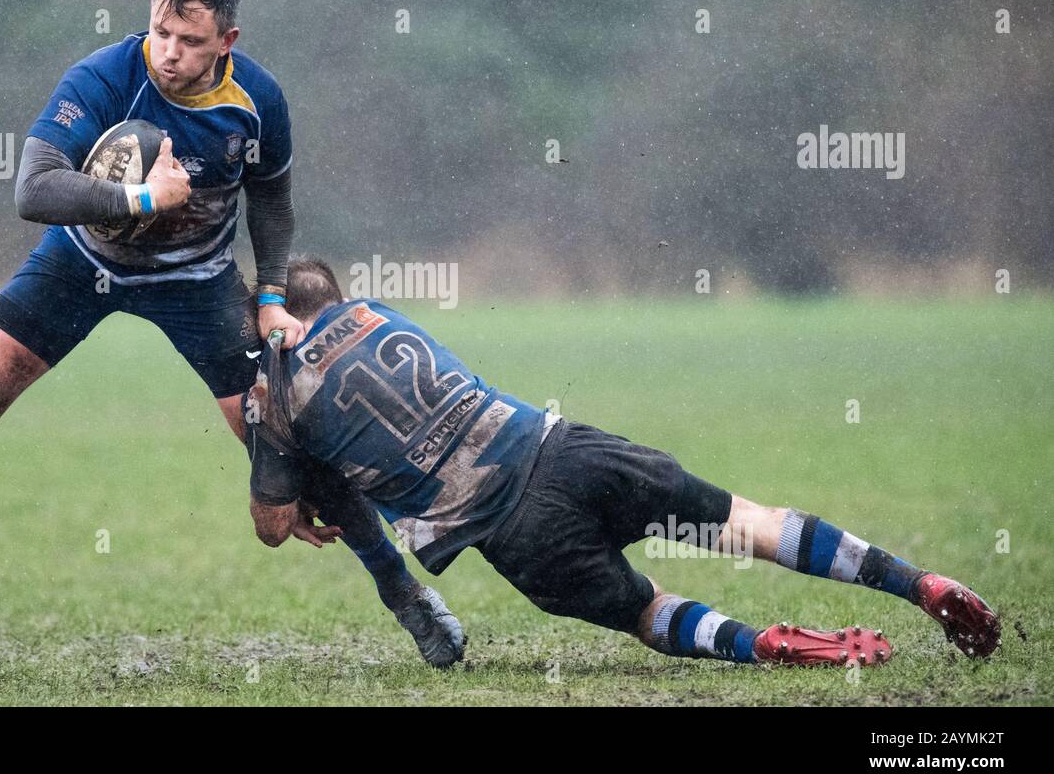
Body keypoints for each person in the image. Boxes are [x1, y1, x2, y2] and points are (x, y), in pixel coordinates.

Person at [0, 0, 462, 667]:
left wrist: (273, 298)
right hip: (79, 266)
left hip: (199, 284)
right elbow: (33, 190)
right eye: (161, 31)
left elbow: (273, 201)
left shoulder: (259, 101)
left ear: (228, 40)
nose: (169, 52)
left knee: (289, 453)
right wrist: (140, 201)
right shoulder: (104, 77)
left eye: (190, 41)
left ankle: (406, 596)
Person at [244, 258, 1002, 667]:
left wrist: (288, 461)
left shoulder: (277, 394)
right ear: (337, 297)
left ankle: (763, 644)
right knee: (750, 523)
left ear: (272, 322)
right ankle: (917, 582)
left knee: (648, 611)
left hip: (518, 534)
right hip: (573, 451)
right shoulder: (381, 313)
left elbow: (274, 526)